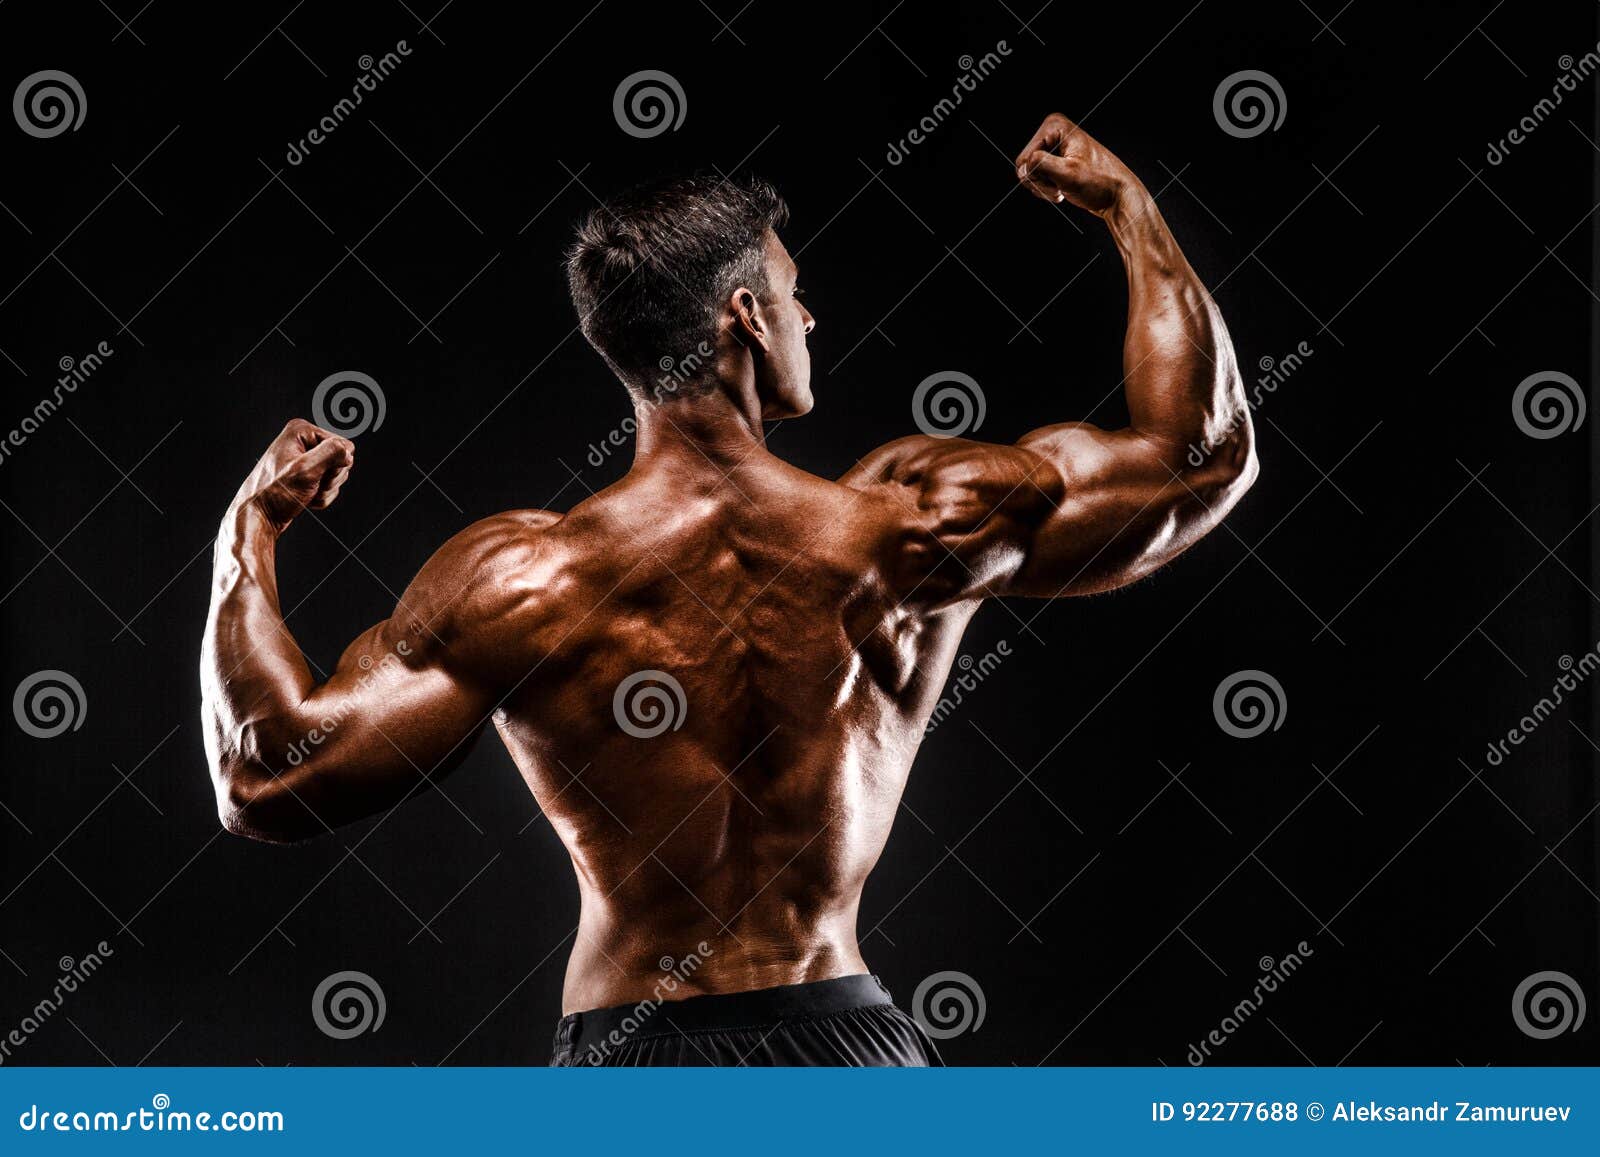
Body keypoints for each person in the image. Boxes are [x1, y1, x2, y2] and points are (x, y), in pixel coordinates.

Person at [200, 113, 1257, 1066]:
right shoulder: (913, 522)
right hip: (845, 1043)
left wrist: (246, 530)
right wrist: (1131, 211)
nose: (813, 321)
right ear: (747, 315)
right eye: (797, 298)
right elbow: (1200, 458)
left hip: (633, 1056)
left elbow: (266, 780)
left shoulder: (526, 577)